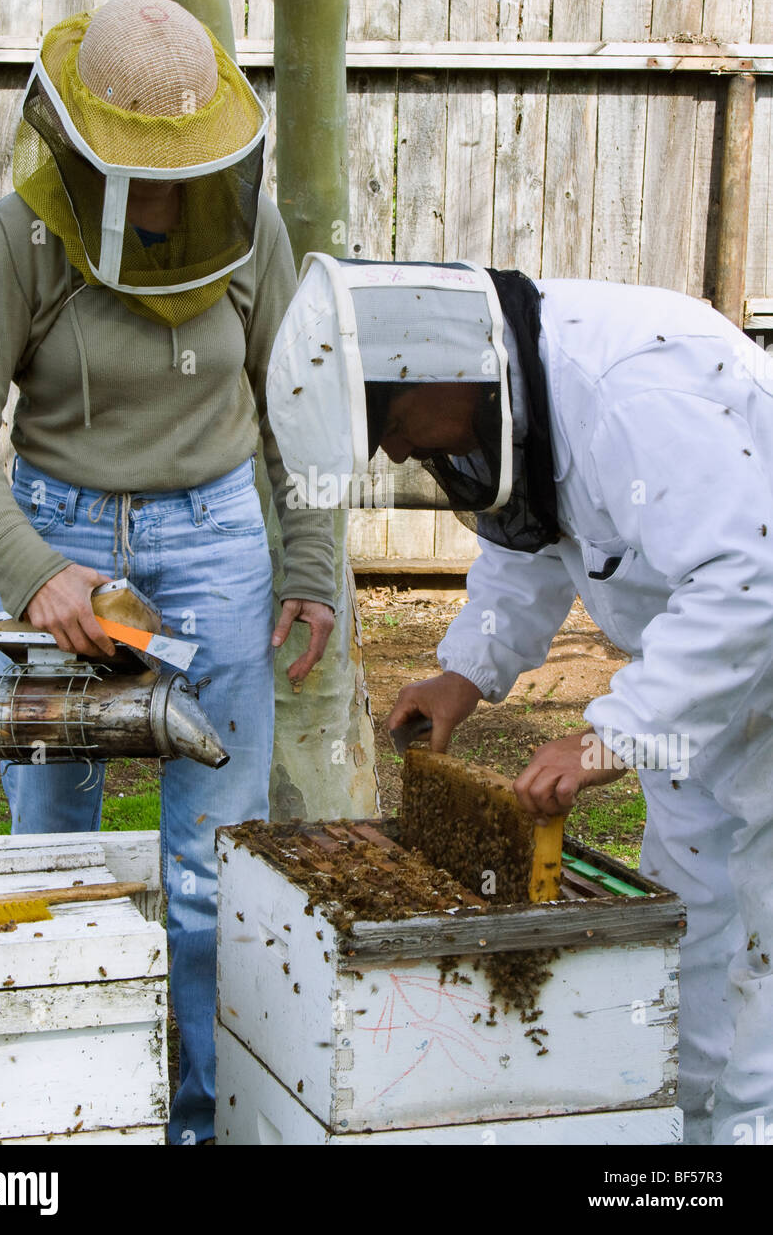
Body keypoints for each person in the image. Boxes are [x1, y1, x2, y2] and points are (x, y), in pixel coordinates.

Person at [0, 0, 337, 1144]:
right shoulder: (25, 234)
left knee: (211, 873)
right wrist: (30, 568)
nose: (161, 195)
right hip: (57, 540)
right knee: (50, 856)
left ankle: (202, 1126)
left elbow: (297, 410)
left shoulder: (254, 235)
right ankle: (49, 1126)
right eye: (137, 168)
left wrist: (307, 562)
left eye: (181, 165)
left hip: (212, 542)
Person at [266, 254, 773, 1147]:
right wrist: (467, 670)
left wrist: (611, 736)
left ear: (437, 360)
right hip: (702, 685)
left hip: (744, 655)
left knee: (769, 944)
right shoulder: (516, 395)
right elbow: (530, 537)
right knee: (696, 923)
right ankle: (693, 1148)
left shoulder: (626, 391)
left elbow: (745, 580)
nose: (391, 448)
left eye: (385, 418)